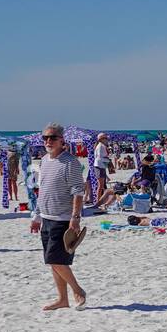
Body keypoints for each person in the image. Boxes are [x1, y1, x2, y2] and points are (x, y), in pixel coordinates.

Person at [30, 122, 87, 310]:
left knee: (55, 259)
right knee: (53, 262)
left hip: (62, 219)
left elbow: (78, 192)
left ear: (62, 140)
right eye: (45, 138)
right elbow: (42, 190)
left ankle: (78, 290)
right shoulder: (45, 160)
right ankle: (63, 299)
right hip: (46, 218)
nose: (48, 141)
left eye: (52, 137)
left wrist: (75, 218)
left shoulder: (70, 162)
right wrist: (37, 216)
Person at [92, 133, 110, 202]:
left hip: (100, 166)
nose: (107, 140)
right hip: (99, 166)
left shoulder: (100, 145)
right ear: (102, 139)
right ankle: (98, 201)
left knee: (101, 186)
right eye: (106, 138)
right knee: (100, 186)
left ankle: (100, 200)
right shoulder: (101, 146)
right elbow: (100, 158)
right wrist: (108, 160)